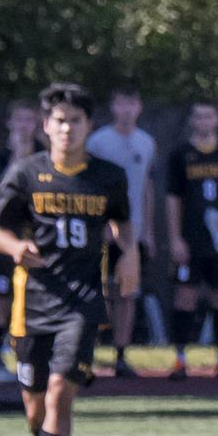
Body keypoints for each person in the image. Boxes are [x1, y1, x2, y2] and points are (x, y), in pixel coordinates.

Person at [0, 83, 136, 436]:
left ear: (88, 126)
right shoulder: (25, 173)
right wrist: (16, 249)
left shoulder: (108, 176)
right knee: (34, 406)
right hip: (32, 302)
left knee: (59, 392)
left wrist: (129, 258)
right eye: (59, 120)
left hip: (83, 302)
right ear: (45, 126)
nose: (66, 128)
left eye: (75, 120)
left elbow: (124, 225)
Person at [163, 100, 218, 379]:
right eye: (198, 116)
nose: (204, 121)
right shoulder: (180, 155)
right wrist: (176, 238)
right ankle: (179, 359)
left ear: (217, 119)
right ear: (191, 120)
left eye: (209, 115)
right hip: (191, 239)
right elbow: (173, 199)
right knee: (185, 296)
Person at [87, 85, 159, 377]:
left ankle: (120, 353)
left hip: (134, 232)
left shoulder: (146, 142)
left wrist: (148, 231)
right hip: (103, 232)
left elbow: (146, 189)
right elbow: (89, 186)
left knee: (127, 292)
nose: (126, 110)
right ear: (113, 107)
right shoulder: (98, 142)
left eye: (132, 103)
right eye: (121, 103)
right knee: (97, 292)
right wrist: (101, 225)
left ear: (139, 107)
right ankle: (87, 354)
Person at [0, 101, 46, 381]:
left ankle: (30, 357)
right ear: (10, 123)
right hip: (6, 240)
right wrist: (18, 157)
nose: (24, 126)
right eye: (18, 120)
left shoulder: (46, 158)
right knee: (0, 298)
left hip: (37, 240)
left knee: (35, 299)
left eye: (29, 120)